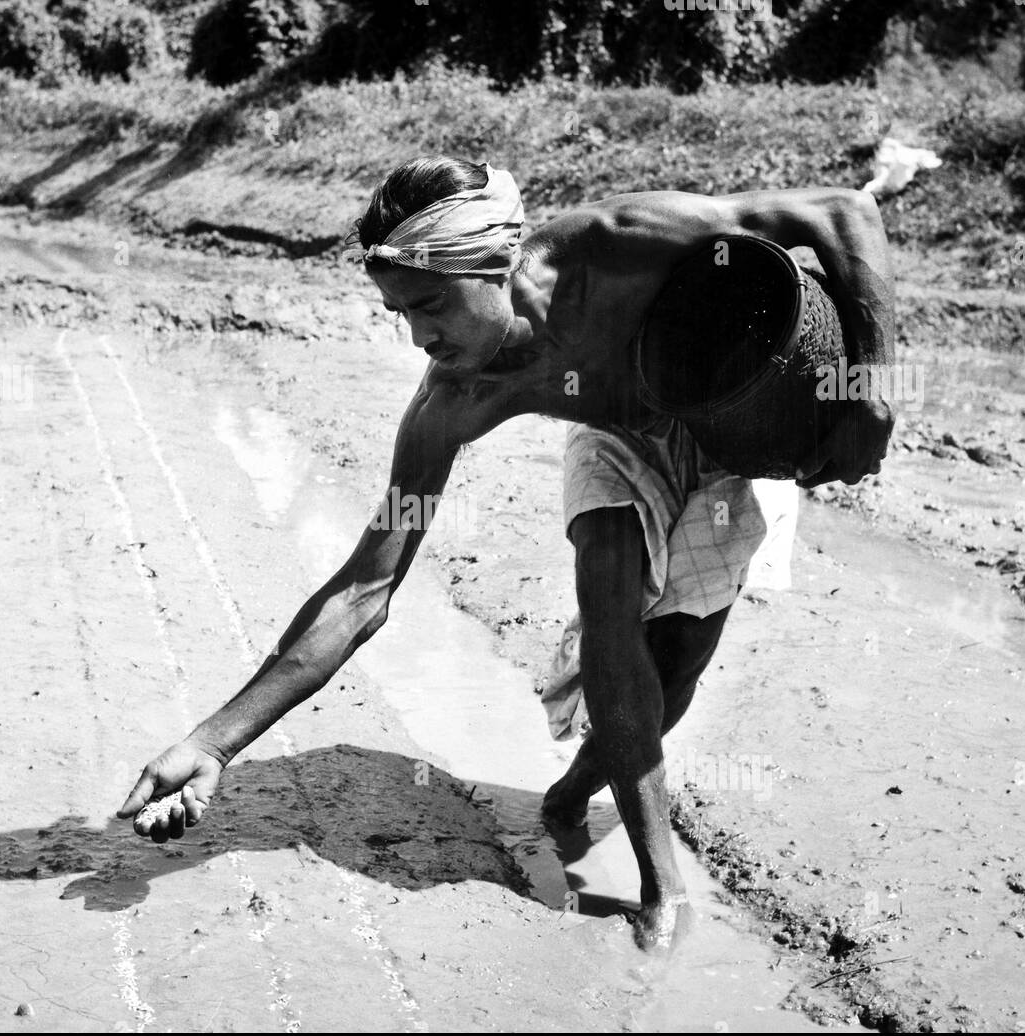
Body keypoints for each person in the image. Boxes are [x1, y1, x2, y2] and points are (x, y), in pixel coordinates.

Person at [117, 157, 896, 949]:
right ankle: (665, 890)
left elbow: (840, 215)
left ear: (494, 263)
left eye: (430, 306)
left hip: (736, 416)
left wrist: (868, 384)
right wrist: (212, 741)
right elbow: (363, 590)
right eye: (400, 314)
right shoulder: (450, 400)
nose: (420, 336)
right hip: (622, 438)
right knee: (608, 584)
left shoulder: (616, 245)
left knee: (681, 663)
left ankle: (577, 788)